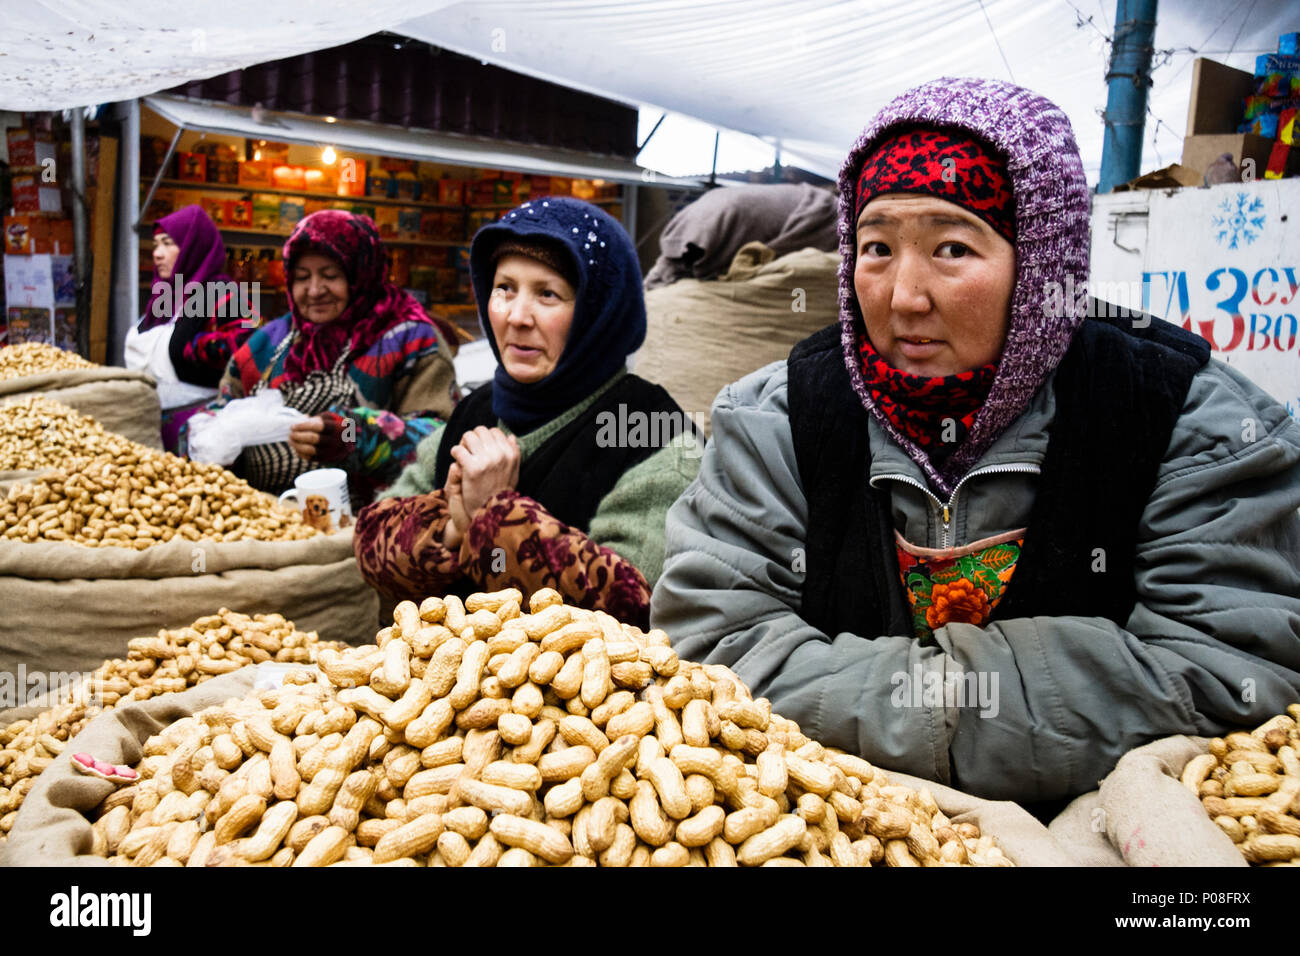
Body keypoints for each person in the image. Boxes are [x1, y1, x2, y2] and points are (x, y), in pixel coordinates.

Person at [650, 78, 1300, 806]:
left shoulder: (1188, 420)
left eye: (952, 247)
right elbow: (712, 650)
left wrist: (914, 707)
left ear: (1041, 264)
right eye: (875, 248)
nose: (904, 296)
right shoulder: (776, 420)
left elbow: (1226, 671)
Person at [354, 197, 701, 628]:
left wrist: (495, 514)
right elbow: (372, 540)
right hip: (442, 688)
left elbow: (635, 610)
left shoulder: (650, 433)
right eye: (505, 289)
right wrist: (452, 530)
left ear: (599, 313)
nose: (517, 316)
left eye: (548, 294)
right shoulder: (476, 410)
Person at [191, 210, 459, 506]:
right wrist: (207, 438)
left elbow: (444, 440)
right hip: (268, 520)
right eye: (302, 278)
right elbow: (222, 408)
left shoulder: (410, 338)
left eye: (330, 276)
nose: (315, 290)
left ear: (361, 274)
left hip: (373, 523)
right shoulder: (267, 345)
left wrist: (353, 436)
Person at [124, 205, 257, 451]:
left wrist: (193, 348)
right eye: (155, 245)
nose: (157, 254)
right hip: (153, 427)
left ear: (192, 246)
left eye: (167, 243)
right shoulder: (165, 300)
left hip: (203, 435)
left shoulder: (223, 293)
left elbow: (248, 348)